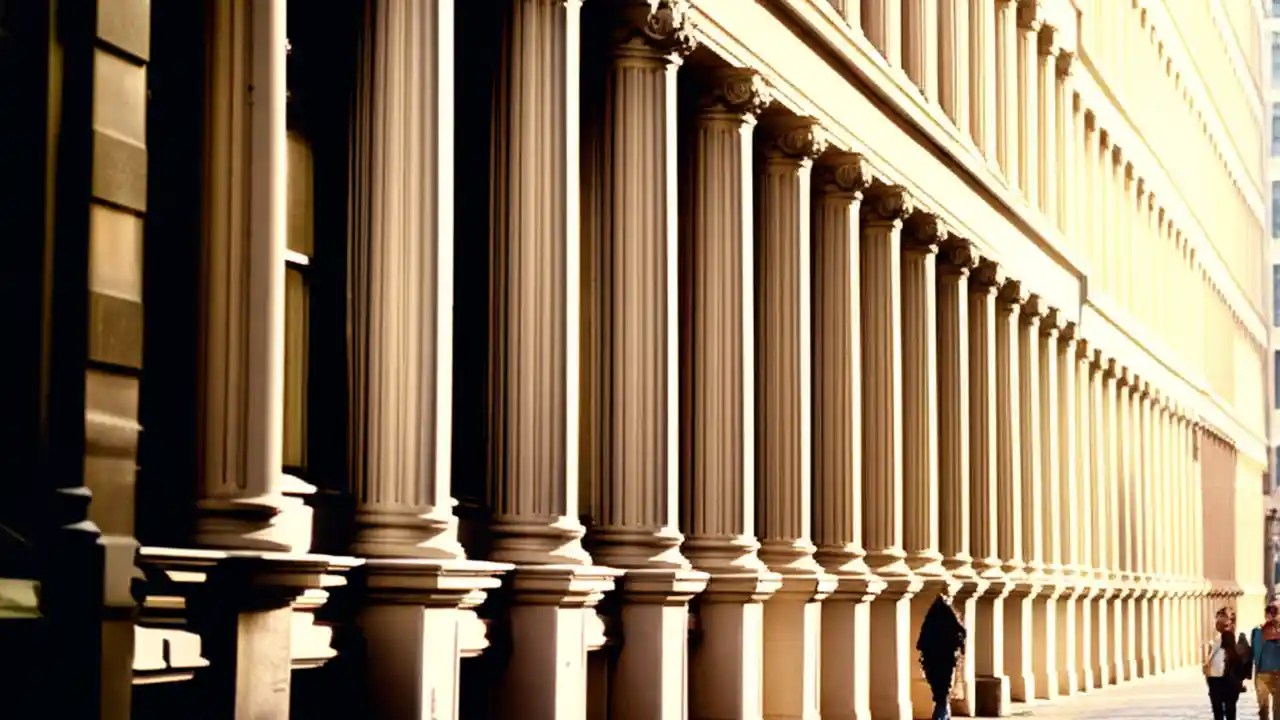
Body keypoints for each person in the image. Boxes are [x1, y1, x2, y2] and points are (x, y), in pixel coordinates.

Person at [916, 594, 966, 720]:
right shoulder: (951, 624)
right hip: (946, 660)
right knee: (943, 690)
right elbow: (961, 634)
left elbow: (920, 644)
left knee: (938, 691)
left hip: (932, 661)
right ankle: (942, 714)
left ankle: (941, 714)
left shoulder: (930, 624)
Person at [1206, 606, 1253, 720]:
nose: (1228, 625)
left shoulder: (1238, 640)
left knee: (1225, 709)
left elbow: (1246, 659)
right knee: (1225, 710)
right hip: (1221, 681)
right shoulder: (1216, 641)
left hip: (1227, 681)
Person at [1252, 601, 1280, 720]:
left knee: (1277, 709)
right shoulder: (1258, 631)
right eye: (1269, 612)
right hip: (1262, 674)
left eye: (1274, 612)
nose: (1271, 615)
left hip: (1277, 674)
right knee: (1263, 708)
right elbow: (1254, 651)